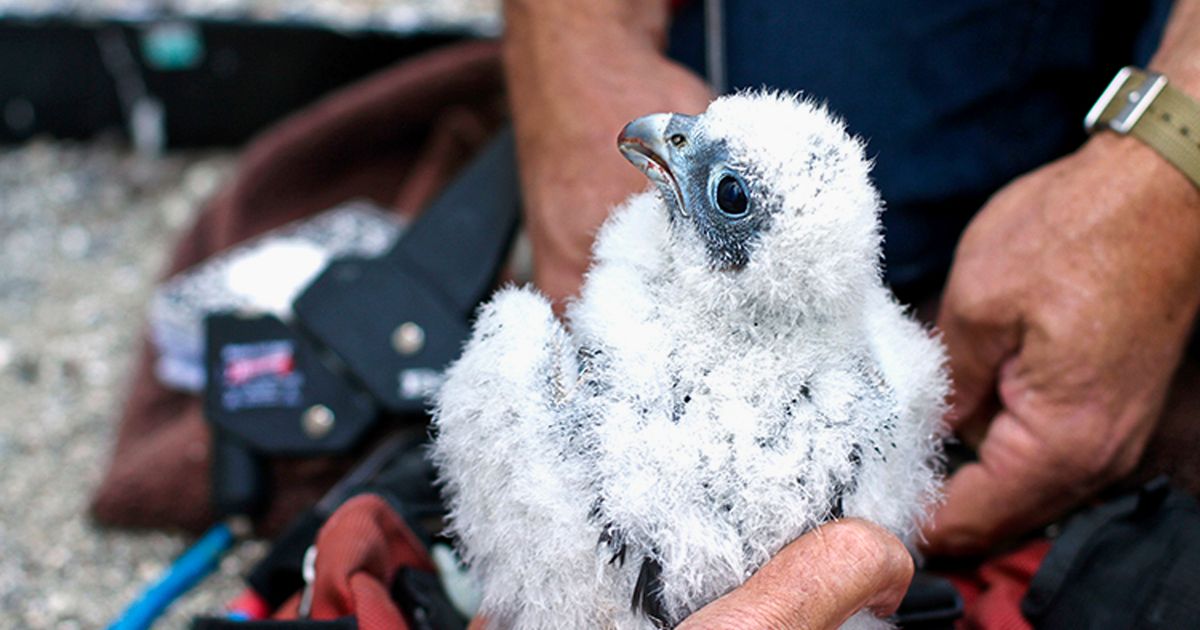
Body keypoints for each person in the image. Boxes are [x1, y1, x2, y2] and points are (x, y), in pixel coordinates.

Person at [503, 0, 1200, 623]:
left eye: (729, 197)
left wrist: (1170, 167)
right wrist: (575, 39)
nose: (669, 133)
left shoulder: (872, 375)